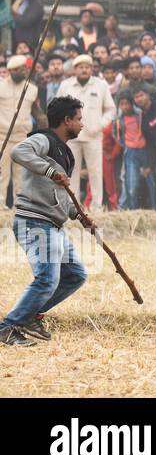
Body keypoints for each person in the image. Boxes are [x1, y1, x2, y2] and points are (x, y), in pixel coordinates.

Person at [0, 96, 89, 346]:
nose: (82, 125)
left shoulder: (66, 153)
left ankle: (30, 316)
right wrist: (51, 172)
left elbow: (61, 196)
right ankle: (7, 327)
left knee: (75, 274)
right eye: (79, 119)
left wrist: (79, 215)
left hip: (53, 225)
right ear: (66, 120)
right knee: (47, 279)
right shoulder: (43, 139)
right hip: (34, 222)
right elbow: (19, 151)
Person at [55, 55, 115, 210]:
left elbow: (110, 109)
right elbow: (57, 108)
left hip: (93, 136)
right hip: (71, 138)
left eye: (87, 67)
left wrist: (100, 125)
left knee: (95, 172)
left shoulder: (100, 85)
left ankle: (96, 206)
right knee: (71, 173)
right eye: (81, 67)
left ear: (92, 69)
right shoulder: (66, 85)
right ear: (75, 69)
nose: (84, 69)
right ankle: (71, 207)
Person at [1, 55, 47, 209]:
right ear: (11, 71)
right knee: (2, 175)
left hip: (22, 138)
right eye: (20, 70)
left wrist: (47, 131)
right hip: (2, 138)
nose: (24, 72)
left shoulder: (32, 89)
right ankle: (0, 206)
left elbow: (38, 113)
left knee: (21, 176)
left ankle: (18, 205)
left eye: (25, 69)